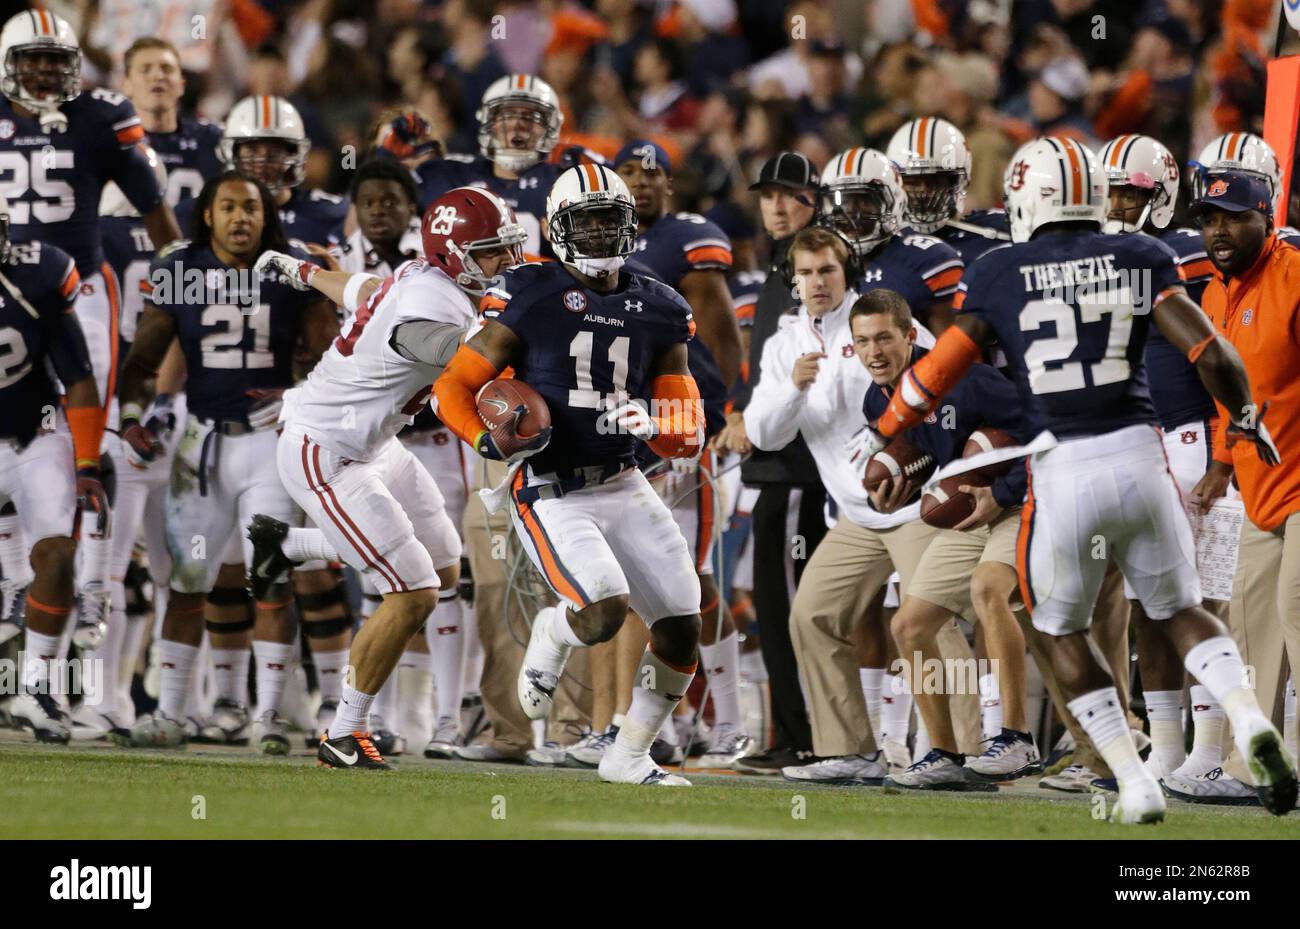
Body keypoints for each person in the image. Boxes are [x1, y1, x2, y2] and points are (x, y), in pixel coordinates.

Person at [873, 136, 1296, 822]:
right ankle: (1247, 717)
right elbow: (1210, 350)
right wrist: (1245, 416)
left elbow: (941, 368)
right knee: (1183, 607)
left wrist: (890, 425)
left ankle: (1133, 777)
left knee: (1052, 624)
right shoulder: (1142, 255)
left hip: (1064, 468)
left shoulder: (1002, 268)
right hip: (1142, 454)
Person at [433, 164, 707, 786]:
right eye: (588, 221)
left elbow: (687, 428)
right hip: (550, 487)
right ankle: (554, 631)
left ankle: (629, 752)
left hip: (622, 479)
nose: (602, 233)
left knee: (683, 623)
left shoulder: (660, 306)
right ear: (559, 227)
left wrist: (655, 420)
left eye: (612, 219)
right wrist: (483, 437)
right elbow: (454, 383)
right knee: (603, 607)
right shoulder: (530, 293)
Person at [250, 185, 526, 769]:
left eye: (506, 248)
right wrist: (505, 338)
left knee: (446, 566)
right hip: (325, 450)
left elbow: (366, 290)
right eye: (492, 251)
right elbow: (426, 341)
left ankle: (291, 546)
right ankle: (345, 731)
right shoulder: (432, 301)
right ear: (455, 254)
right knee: (415, 590)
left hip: (374, 443)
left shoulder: (424, 275)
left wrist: (305, 272)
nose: (504, 262)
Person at [118, 171, 337, 750]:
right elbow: (141, 360)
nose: (241, 218)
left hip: (269, 448)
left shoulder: (291, 272)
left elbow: (330, 357)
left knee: (270, 580)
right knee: (189, 581)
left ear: (267, 217)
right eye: (229, 207)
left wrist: (297, 397)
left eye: (252, 208)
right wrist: (134, 419)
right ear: (208, 216)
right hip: (201, 447)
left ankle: (268, 718)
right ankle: (170, 713)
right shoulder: (181, 272)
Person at [0, 10, 180, 653]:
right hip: (5, 290)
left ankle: (96, 587)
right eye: (34, 58)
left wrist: (181, 287)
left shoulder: (100, 117)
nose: (47, 70)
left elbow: (159, 216)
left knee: (89, 442)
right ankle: (17, 580)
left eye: (58, 58)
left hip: (78, 293)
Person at [744, 227, 937, 785]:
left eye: (826, 270)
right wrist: (793, 389)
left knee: (928, 623)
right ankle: (850, 747)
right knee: (812, 616)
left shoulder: (877, 317)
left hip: (912, 502)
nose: (816, 283)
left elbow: (938, 384)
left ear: (845, 270)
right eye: (805, 273)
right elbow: (765, 433)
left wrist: (915, 459)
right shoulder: (785, 345)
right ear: (792, 280)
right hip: (854, 511)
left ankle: (956, 749)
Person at [1096, 132, 1239, 798]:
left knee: (1206, 600)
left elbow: (1225, 358)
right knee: (1147, 602)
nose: (1122, 206)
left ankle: (1211, 751)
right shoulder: (1098, 256)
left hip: (1193, 440)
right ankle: (1167, 748)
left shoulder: (1188, 256)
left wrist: (1223, 451)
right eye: (1113, 193)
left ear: (1163, 195)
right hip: (1136, 443)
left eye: (1134, 193)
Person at [604, 139, 748, 767]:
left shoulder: (688, 239)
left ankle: (731, 721)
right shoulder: (602, 243)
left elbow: (719, 335)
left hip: (685, 428)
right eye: (627, 173)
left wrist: (726, 411)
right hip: (629, 432)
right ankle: (673, 721)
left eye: (651, 173)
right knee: (657, 586)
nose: (639, 183)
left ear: (672, 185)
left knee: (691, 582)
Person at [856, 289, 1037, 787]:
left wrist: (1002, 491)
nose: (875, 352)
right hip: (974, 510)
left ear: (912, 336)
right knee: (910, 626)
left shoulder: (967, 378)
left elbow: (1044, 432)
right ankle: (942, 753)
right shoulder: (879, 397)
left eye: (885, 339)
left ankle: (1016, 738)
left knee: (987, 590)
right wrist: (899, 488)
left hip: (1022, 501)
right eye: (863, 341)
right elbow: (939, 460)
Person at [715, 152, 827, 774]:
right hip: (774, 460)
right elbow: (759, 370)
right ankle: (794, 729)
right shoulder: (777, 273)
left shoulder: (814, 270)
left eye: (791, 195)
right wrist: (737, 413)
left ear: (815, 199)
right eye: (769, 196)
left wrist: (759, 420)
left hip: (801, 465)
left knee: (787, 601)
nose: (778, 207)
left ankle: (803, 734)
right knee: (775, 600)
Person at [1192, 169, 1300, 802]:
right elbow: (1226, 399)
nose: (1219, 230)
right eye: (1209, 219)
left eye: (1232, 216)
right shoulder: (1212, 297)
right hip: (1260, 485)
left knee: (1297, 609)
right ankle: (1254, 765)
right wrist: (1221, 464)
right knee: (1250, 623)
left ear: (1267, 217)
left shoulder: (1293, 277)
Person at [0, 197, 109, 742]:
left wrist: (87, 461)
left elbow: (79, 376)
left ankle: (38, 688)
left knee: (59, 556)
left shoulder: (38, 275)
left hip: (32, 436)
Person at [884, 116, 1011, 267]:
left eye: (935, 182)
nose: (923, 193)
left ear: (960, 180)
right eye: (913, 182)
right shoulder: (882, 247)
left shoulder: (994, 233)